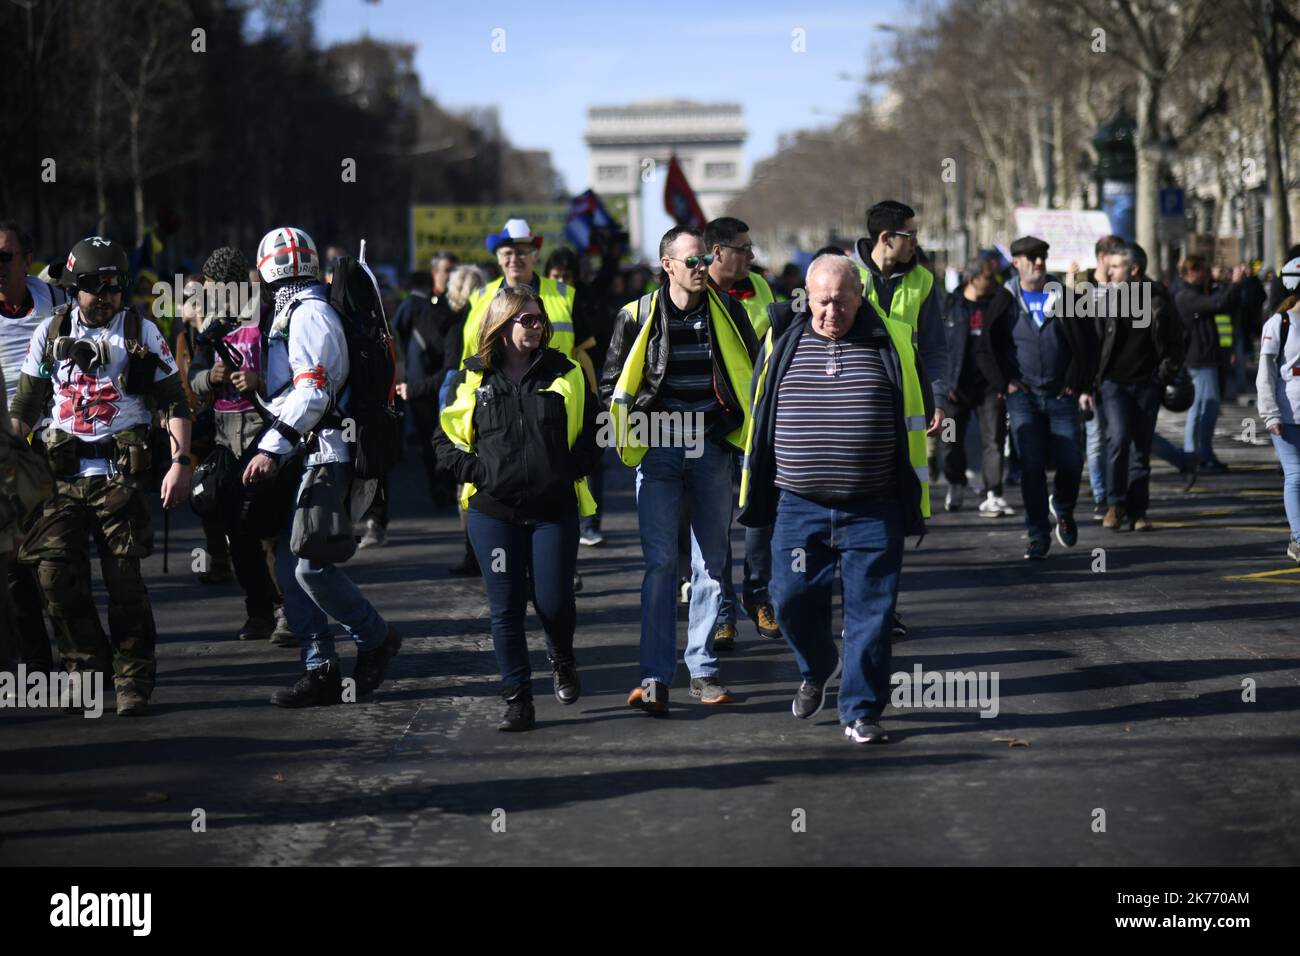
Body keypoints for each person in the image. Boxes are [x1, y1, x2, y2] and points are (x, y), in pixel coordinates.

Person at [739, 254, 931, 744]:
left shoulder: (892, 339)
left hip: (873, 506)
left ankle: (861, 711)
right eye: (821, 302)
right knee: (789, 600)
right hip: (798, 505)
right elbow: (758, 411)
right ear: (807, 297)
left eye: (841, 302)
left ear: (860, 296)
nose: (830, 312)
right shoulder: (783, 336)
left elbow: (920, 409)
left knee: (872, 613)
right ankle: (818, 664)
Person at [9, 236, 193, 716]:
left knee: (124, 581)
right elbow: (26, 405)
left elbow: (174, 401)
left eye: (115, 287)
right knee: (53, 576)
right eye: (96, 289)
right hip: (60, 475)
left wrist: (179, 462)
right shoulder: (50, 333)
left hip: (118, 475)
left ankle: (133, 677)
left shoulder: (140, 331)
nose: (108, 298)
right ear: (74, 289)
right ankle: (86, 670)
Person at [601, 225, 758, 714]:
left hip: (711, 448)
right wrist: (643, 435)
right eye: (692, 261)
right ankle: (653, 678)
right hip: (660, 451)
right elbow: (613, 385)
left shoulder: (729, 313)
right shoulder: (635, 315)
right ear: (667, 265)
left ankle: (704, 670)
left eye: (705, 260)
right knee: (661, 565)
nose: (702, 268)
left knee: (712, 564)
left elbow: (752, 374)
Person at [242, 226, 399, 708]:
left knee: (309, 566)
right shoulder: (301, 312)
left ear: (270, 272)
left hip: (327, 455)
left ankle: (375, 638)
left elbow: (313, 392)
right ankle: (320, 668)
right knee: (291, 568)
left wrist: (271, 447)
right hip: (310, 453)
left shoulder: (308, 315)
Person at [434, 287, 599, 731]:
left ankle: (561, 657)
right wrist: (478, 471)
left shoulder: (565, 371)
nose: (536, 326)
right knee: (505, 607)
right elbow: (444, 441)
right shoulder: (474, 378)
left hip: (552, 510)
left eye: (538, 318)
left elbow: (594, 429)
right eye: (525, 319)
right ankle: (518, 698)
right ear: (502, 325)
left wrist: (568, 468)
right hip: (493, 513)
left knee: (553, 599)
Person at [187, 247, 295, 642]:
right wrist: (211, 378)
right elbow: (194, 378)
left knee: (268, 529)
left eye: (216, 285)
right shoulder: (212, 326)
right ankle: (258, 611)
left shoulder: (267, 317)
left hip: (263, 432)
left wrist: (258, 383)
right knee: (237, 532)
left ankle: (289, 611)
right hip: (224, 435)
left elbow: (293, 377)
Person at [854, 201, 946, 637]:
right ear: (886, 238)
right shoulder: (843, 275)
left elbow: (934, 349)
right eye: (909, 235)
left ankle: (882, 610)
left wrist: (938, 399)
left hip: (903, 409)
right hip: (852, 411)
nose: (916, 242)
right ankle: (859, 608)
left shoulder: (925, 281)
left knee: (891, 516)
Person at [983, 235, 1095, 559]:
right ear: (1016, 263)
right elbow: (986, 348)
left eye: (1042, 256)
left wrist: (1080, 382)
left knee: (1072, 460)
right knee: (1031, 466)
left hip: (1061, 394)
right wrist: (1005, 383)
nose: (1038, 262)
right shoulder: (1004, 300)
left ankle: (1062, 505)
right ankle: (1037, 534)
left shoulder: (1066, 297)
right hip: (1024, 396)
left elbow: (1088, 342)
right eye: (1030, 257)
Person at [704, 216, 780, 647]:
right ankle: (723, 610)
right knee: (715, 522)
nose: (752, 255)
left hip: (755, 421)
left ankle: (758, 595)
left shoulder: (762, 289)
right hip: (711, 425)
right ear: (717, 252)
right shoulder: (692, 292)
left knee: (758, 513)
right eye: (744, 248)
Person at [0, 220, 66, 672]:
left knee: (58, 559)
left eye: (6, 256)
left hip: (52, 445)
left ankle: (82, 658)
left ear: (28, 260)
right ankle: (38, 661)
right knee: (11, 565)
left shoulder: (54, 300)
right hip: (4, 451)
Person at [1095, 241, 1184, 531]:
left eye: (1115, 267)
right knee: (1118, 440)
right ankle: (1115, 503)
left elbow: (1177, 338)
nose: (1110, 273)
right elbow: (1092, 339)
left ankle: (1138, 512)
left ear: (1134, 270)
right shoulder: (1107, 297)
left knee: (1140, 450)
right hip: (1113, 383)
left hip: (1147, 383)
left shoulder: (1158, 296)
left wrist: (1165, 372)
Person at [941, 256, 1015, 517]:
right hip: (955, 387)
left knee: (994, 439)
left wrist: (1004, 380)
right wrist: (944, 381)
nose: (994, 282)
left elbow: (1008, 343)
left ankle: (993, 492)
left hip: (989, 387)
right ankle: (955, 483)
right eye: (988, 277)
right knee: (950, 441)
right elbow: (939, 346)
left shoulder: (1000, 304)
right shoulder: (950, 304)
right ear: (972, 279)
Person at [458, 219, 583, 367]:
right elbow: (466, 356)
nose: (514, 259)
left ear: (535, 256)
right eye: (508, 253)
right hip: (491, 387)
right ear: (499, 259)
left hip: (554, 386)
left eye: (521, 253)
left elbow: (585, 354)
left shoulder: (566, 295)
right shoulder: (478, 298)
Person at [1173, 255, 1247, 476]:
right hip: (1199, 360)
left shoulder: (1194, 293)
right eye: (1204, 272)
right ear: (1192, 272)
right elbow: (1218, 304)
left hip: (1205, 358)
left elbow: (1223, 304)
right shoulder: (1186, 296)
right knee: (1205, 408)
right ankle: (1198, 455)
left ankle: (1196, 454)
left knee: (1202, 409)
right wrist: (1234, 284)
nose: (1208, 276)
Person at [1256, 256, 1300, 562]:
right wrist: (1270, 413)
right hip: (1287, 415)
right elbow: (1265, 374)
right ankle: (1299, 538)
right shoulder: (1278, 324)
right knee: (1296, 476)